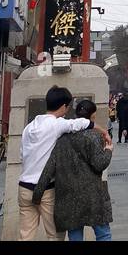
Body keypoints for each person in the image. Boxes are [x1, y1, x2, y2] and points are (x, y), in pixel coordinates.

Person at [18, 86, 108, 240]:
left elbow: (22, 156)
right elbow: (79, 123)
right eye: (68, 106)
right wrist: (103, 131)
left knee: (25, 234)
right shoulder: (56, 124)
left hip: (24, 187)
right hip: (46, 189)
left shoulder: (29, 127)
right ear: (63, 106)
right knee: (55, 235)